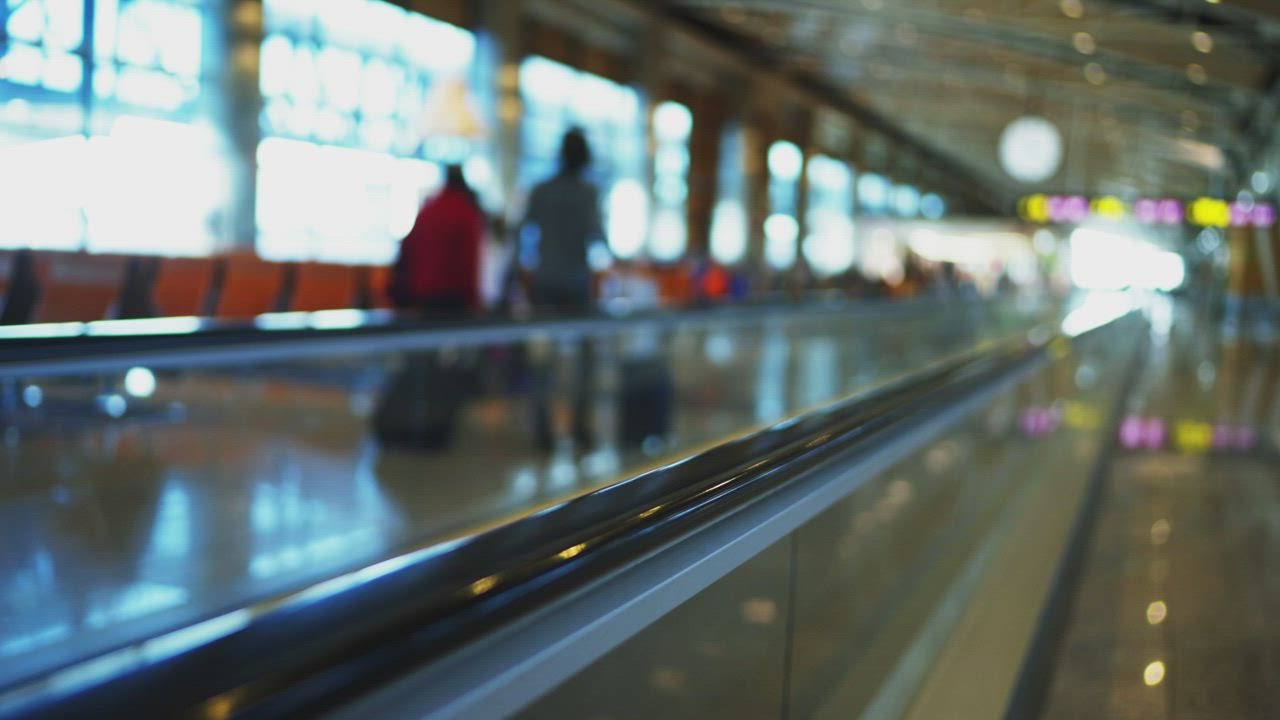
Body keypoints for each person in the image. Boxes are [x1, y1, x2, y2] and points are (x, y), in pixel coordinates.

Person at [516, 129, 606, 450]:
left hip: (544, 283)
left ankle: (543, 428)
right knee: (584, 359)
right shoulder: (588, 193)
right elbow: (598, 238)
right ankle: (581, 427)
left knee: (544, 360)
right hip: (577, 285)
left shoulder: (542, 190)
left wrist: (523, 274)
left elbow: (522, 234)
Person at [390, 164, 484, 315]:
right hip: (454, 300)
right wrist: (475, 300)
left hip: (421, 297)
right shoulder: (466, 213)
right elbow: (469, 262)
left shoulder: (429, 210)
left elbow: (407, 247)